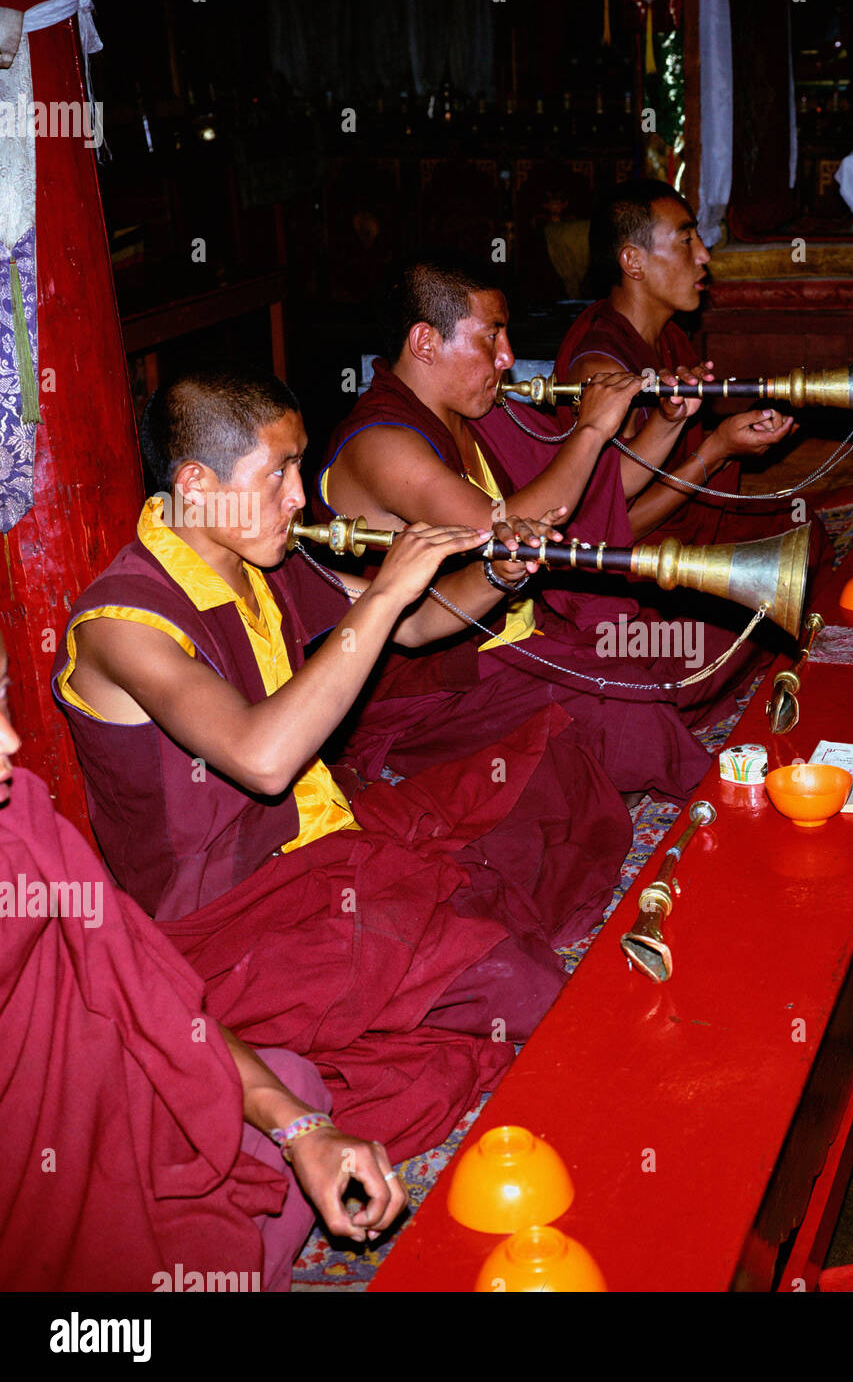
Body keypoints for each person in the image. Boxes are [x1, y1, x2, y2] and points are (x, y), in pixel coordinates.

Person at [52, 368, 631, 1162]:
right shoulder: (122, 623)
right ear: (196, 484)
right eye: (279, 473)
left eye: (299, 468)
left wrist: (497, 571)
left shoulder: (256, 554)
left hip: (317, 843)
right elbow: (261, 760)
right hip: (223, 911)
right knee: (511, 995)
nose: (299, 498)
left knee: (543, 795)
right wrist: (385, 595)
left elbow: (419, 626)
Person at [0, 629, 405, 1291]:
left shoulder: (21, 826)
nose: (11, 743)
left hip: (108, 1132)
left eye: (1, 696)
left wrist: (303, 1132)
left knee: (292, 1087)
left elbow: (153, 1004)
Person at [318, 259, 762, 800]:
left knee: (714, 634)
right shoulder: (383, 444)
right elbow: (506, 531)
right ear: (425, 341)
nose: (506, 356)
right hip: (442, 679)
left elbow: (594, 490)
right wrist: (594, 426)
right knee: (634, 708)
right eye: (491, 336)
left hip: (528, 629)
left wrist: (669, 422)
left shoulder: (476, 412)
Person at [554, 180, 799, 545]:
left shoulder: (669, 337)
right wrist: (716, 452)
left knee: (799, 530)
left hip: (684, 532)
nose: (704, 255)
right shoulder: (600, 370)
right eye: (686, 240)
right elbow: (614, 526)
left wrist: (734, 442)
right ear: (633, 261)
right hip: (639, 572)